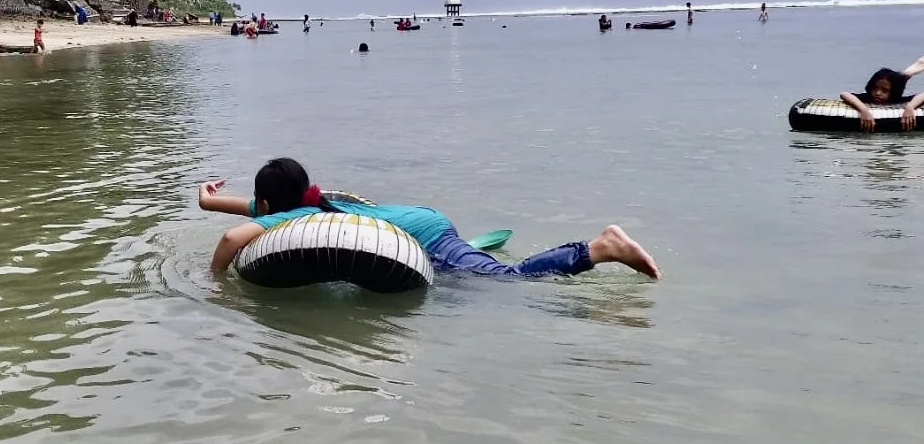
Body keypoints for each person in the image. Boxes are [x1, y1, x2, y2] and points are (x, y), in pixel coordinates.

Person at [198, 158, 660, 281]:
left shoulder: (291, 217)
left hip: (430, 239)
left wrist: (216, 285)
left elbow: (230, 237)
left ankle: (599, 248)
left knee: (508, 281)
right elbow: (230, 211)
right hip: (424, 218)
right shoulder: (314, 199)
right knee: (471, 277)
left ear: (269, 201)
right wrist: (207, 196)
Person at [840, 55, 924, 131]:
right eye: (875, 88)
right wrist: (863, 110)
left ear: (892, 93)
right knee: (895, 81)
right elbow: (844, 94)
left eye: (885, 91)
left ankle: (905, 75)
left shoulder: (896, 100)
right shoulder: (868, 98)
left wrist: (910, 106)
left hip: (896, 93)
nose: (878, 93)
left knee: (896, 83)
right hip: (867, 107)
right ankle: (905, 75)